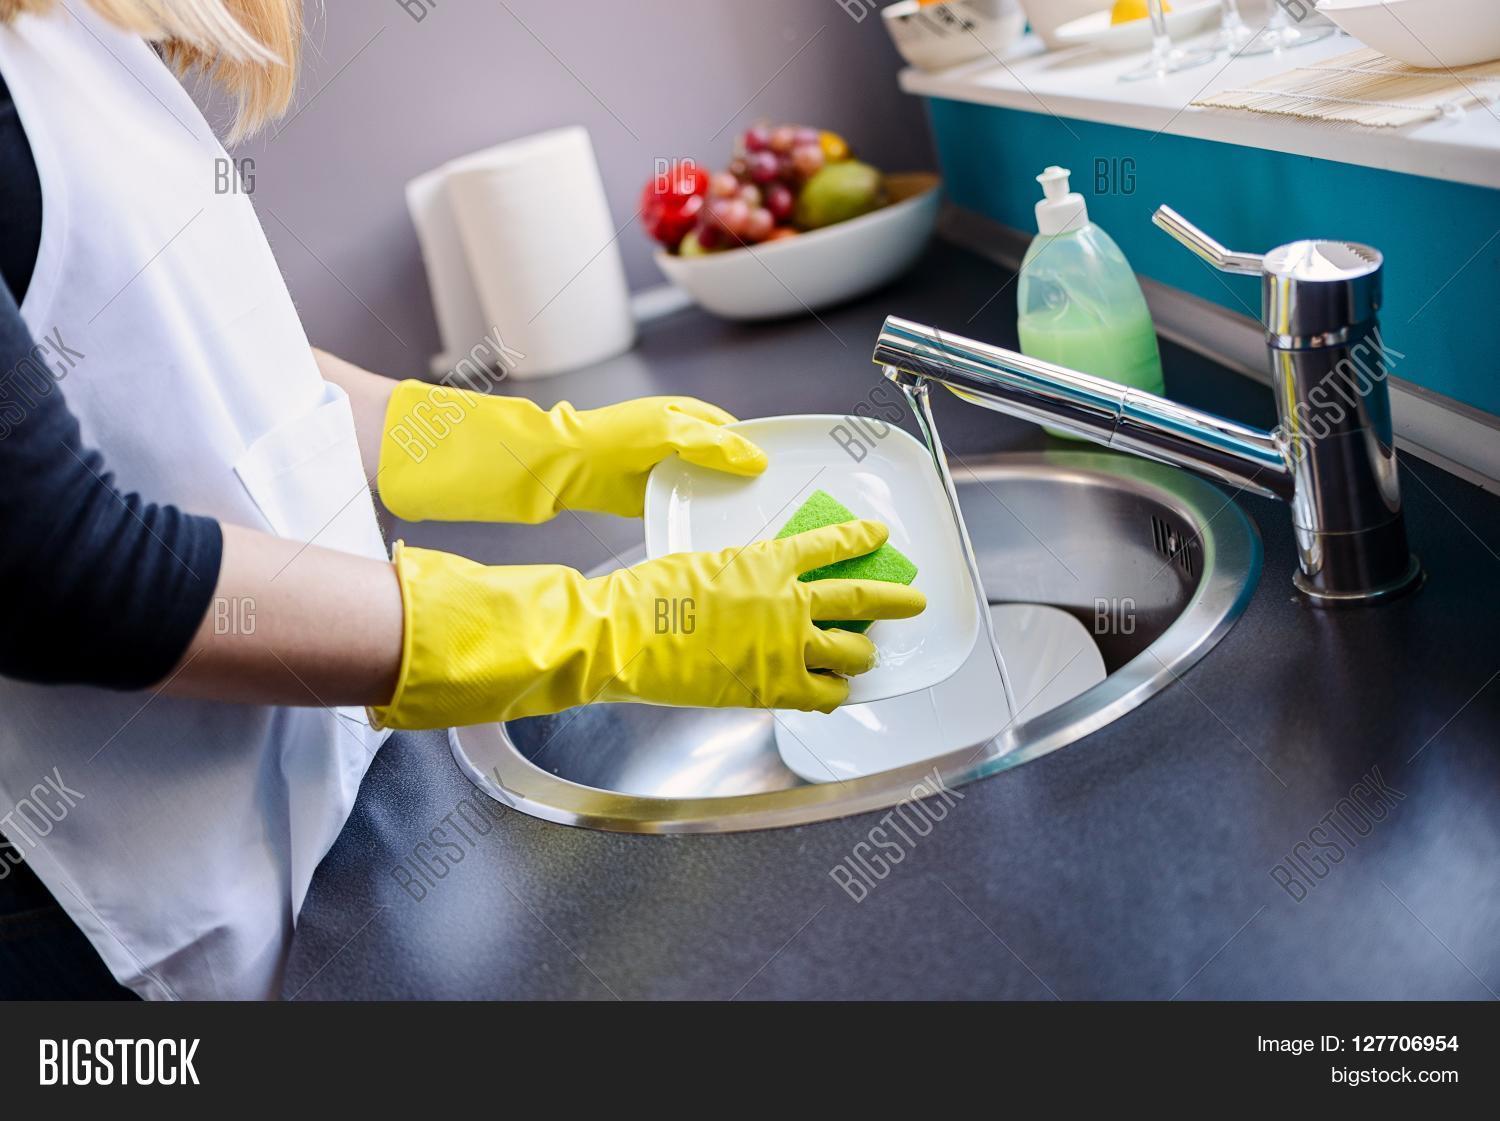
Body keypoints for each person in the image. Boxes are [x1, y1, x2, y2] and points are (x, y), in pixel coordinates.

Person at [0, 0, 925, 999]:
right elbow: (60, 570)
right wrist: (596, 630)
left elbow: (224, 360)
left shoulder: (69, 36)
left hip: (306, 804)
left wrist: (545, 452)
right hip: (97, 923)